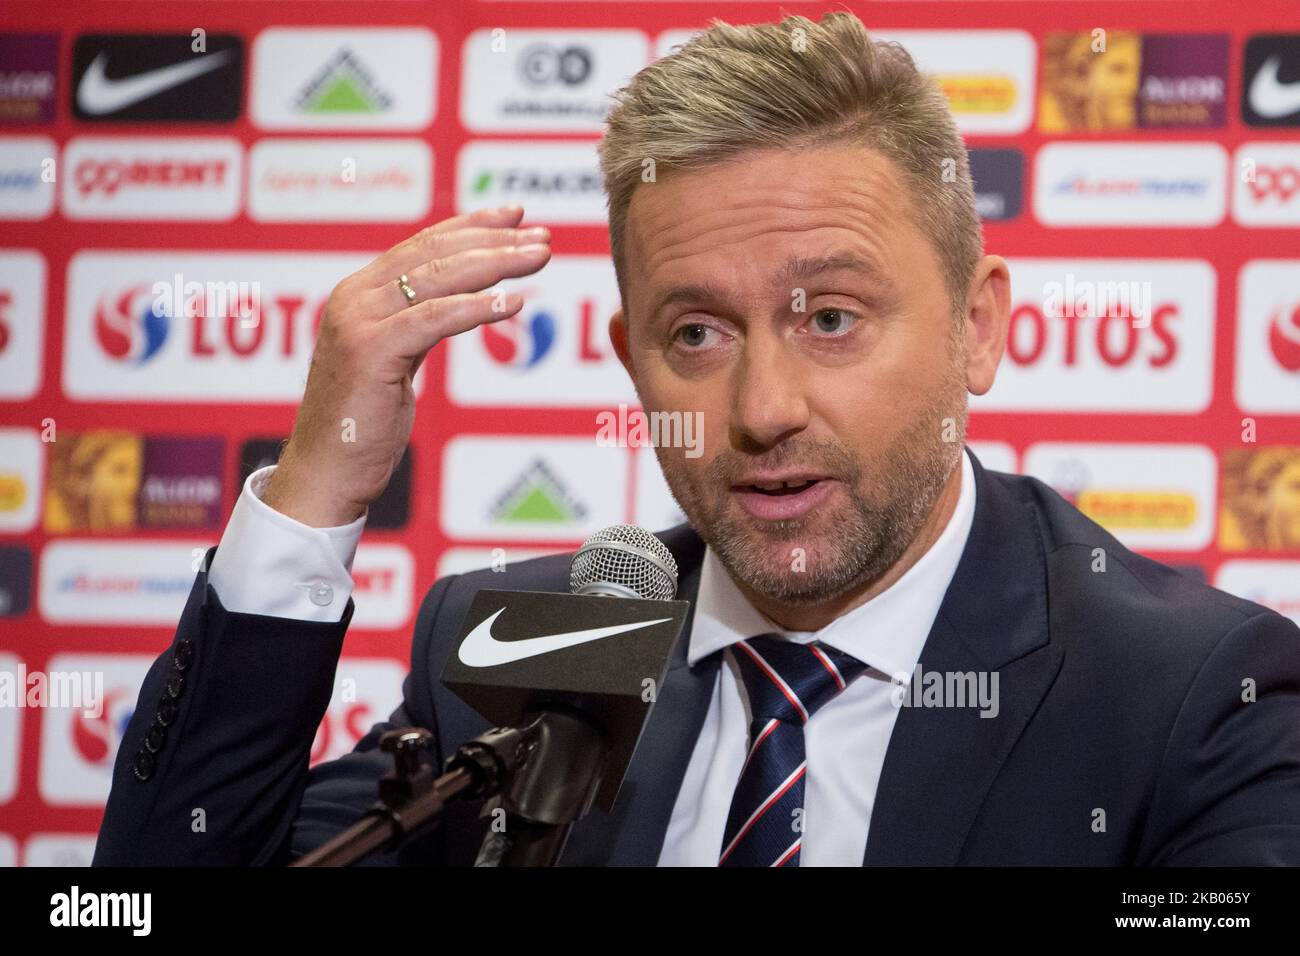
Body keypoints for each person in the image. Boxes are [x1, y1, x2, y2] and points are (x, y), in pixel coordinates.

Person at [94, 12, 1300, 867]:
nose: (763, 407)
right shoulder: (540, 645)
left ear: (975, 328)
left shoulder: (1189, 698)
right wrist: (314, 489)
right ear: (632, 357)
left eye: (830, 318)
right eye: (698, 333)